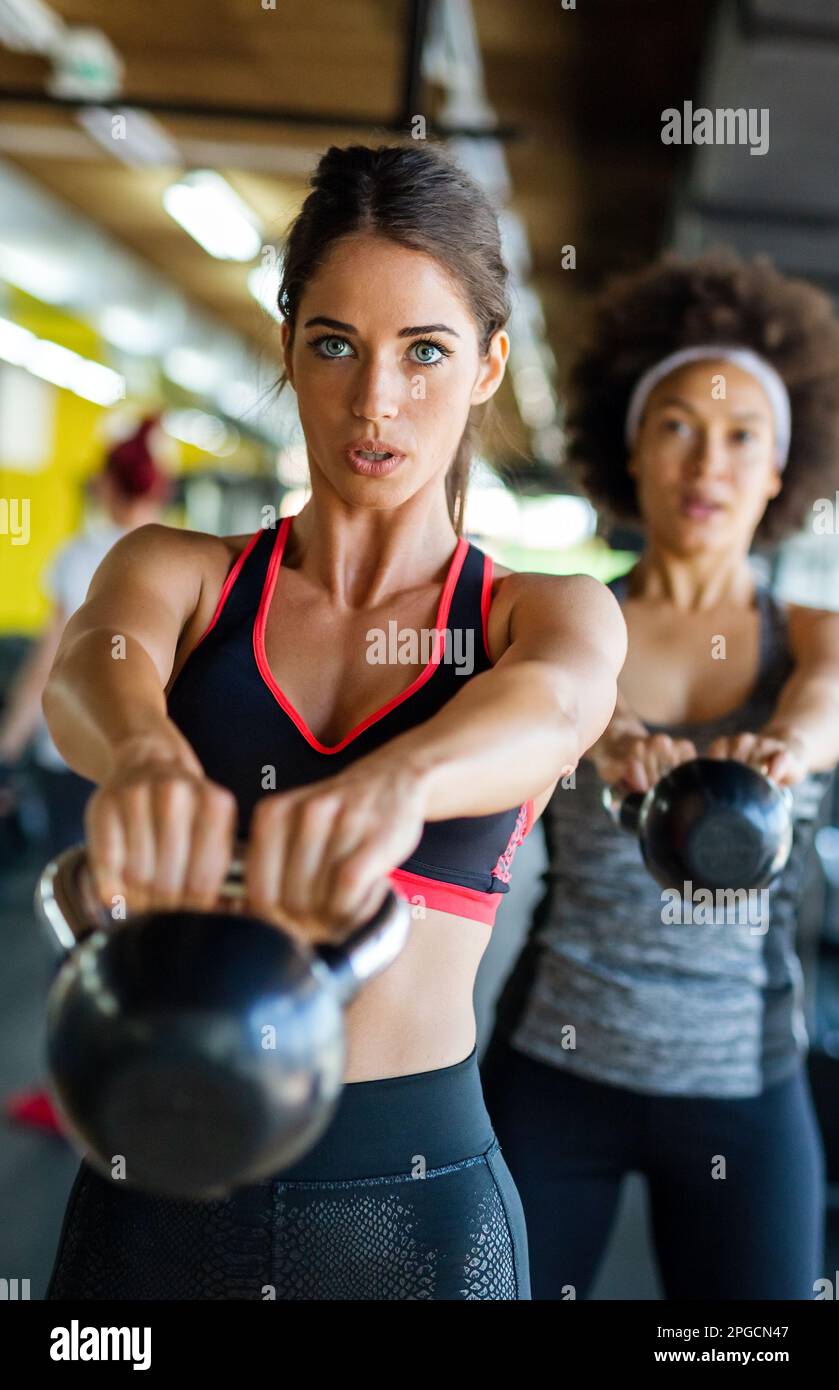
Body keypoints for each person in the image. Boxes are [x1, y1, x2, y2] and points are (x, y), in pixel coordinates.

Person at [40, 142, 625, 1301]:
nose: (375, 402)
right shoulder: (184, 572)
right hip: (156, 1170)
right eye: (334, 345)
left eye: (424, 352)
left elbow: (557, 705)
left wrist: (393, 787)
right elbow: (88, 671)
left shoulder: (537, 613)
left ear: (488, 365)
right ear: (287, 347)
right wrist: (149, 754)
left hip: (410, 1213)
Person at [481, 249, 839, 1301]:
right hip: (554, 1064)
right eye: (675, 425)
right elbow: (542, 689)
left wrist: (784, 746)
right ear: (628, 447)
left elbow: (827, 700)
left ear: (779, 467)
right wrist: (594, 724)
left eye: (741, 437)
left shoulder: (809, 635)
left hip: (741, 1085)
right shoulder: (557, 624)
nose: (706, 464)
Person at [1, 418, 170, 1135]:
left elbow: (46, 665)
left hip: (74, 759)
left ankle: (70, 1087)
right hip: (149, 764)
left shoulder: (80, 556)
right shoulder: (181, 555)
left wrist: (5, 748)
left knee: (74, 912)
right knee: (143, 912)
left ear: (105, 483)